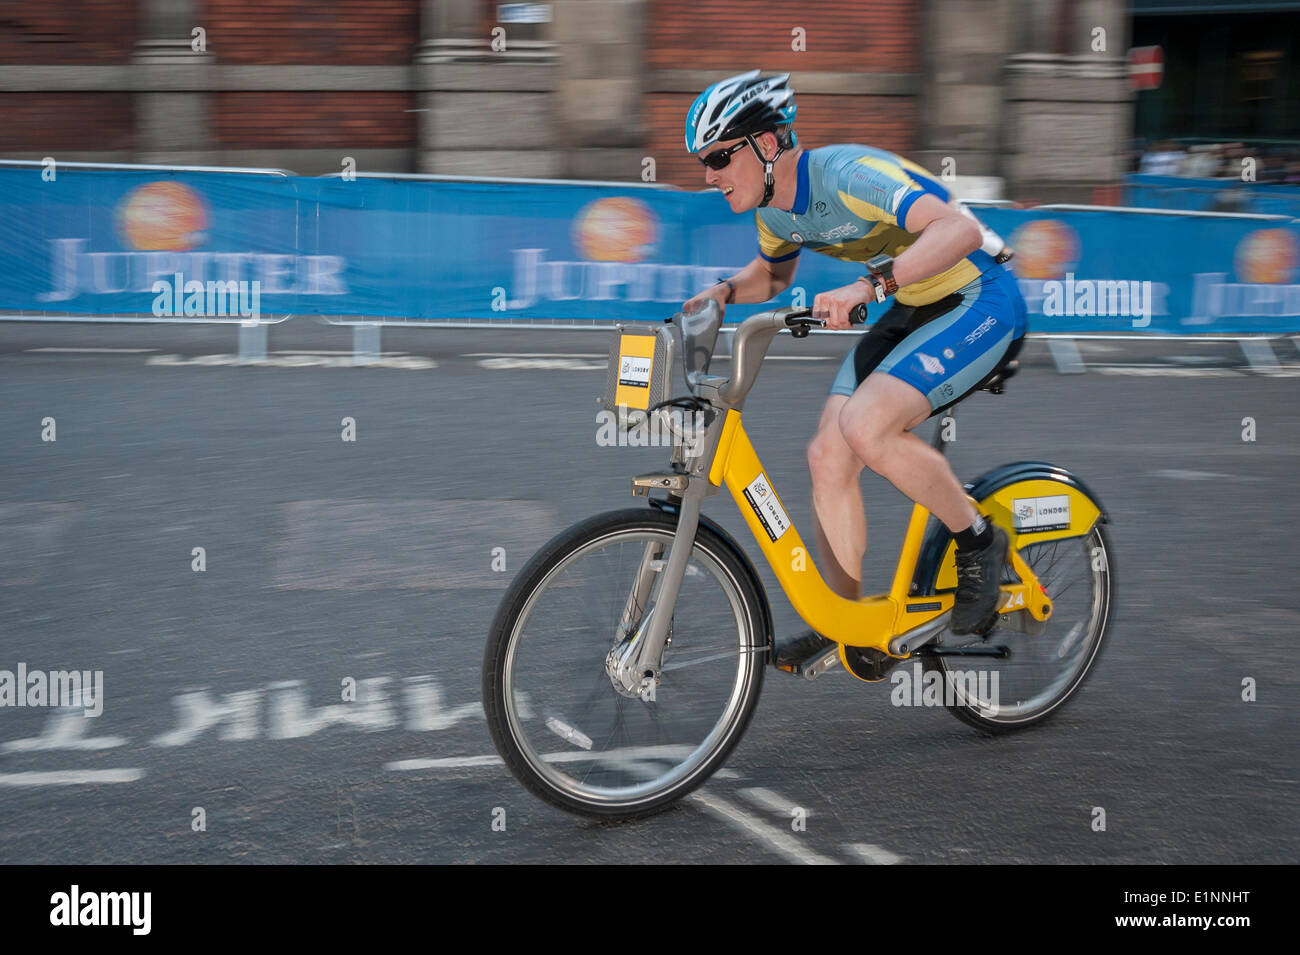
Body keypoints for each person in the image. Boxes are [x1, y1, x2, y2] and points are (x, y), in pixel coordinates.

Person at [682, 70, 1028, 673]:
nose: (708, 175)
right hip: (915, 305)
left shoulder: (846, 173)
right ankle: (844, 617)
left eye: (716, 157)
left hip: (980, 298)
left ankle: (979, 539)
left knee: (867, 428)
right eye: (701, 162)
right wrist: (721, 292)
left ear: (766, 145)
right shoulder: (773, 211)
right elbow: (773, 276)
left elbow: (960, 229)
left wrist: (872, 283)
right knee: (827, 454)